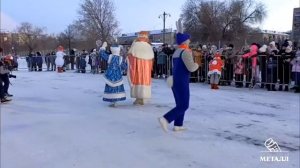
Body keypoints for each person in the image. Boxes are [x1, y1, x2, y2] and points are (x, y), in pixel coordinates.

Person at [158, 18, 199, 132]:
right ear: (185, 41)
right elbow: (191, 67)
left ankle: (178, 124)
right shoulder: (185, 52)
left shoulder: (176, 52)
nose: (189, 41)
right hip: (182, 81)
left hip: (175, 80)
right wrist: (197, 64)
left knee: (179, 103)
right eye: (188, 40)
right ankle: (165, 119)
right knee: (184, 105)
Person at [127, 31, 154, 105]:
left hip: (138, 67)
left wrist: (128, 57)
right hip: (146, 69)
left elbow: (131, 55)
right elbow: (151, 60)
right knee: (144, 80)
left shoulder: (136, 45)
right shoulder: (148, 46)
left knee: (138, 80)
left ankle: (138, 98)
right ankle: (142, 98)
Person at [99, 42, 127, 107]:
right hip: (117, 75)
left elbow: (102, 54)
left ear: (112, 50)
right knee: (117, 86)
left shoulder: (110, 57)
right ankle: (116, 100)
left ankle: (111, 99)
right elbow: (125, 66)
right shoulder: (120, 58)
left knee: (110, 85)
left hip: (110, 74)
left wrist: (103, 47)